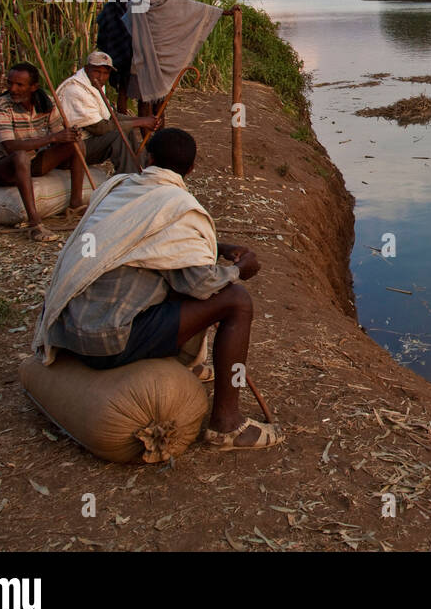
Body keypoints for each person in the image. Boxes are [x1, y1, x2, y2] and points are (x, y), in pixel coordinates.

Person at [32, 127, 284, 451]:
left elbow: (145, 239)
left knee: (175, 278)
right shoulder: (179, 204)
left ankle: (187, 361)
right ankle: (227, 425)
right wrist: (238, 270)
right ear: (191, 169)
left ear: (147, 157)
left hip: (70, 328)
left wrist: (217, 246)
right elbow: (202, 284)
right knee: (236, 301)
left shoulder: (117, 187)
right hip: (106, 342)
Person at [0, 62, 86, 242]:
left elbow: (59, 132)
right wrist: (53, 138)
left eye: (19, 85)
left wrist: (69, 134)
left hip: (32, 161)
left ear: (34, 87)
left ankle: (75, 205)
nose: (13, 89)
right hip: (0, 167)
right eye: (10, 83)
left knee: (77, 144)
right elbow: (11, 147)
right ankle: (34, 222)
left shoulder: (47, 103)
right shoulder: (1, 106)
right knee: (20, 155)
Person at [128, 0, 222, 128]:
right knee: (143, 103)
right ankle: (147, 144)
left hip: (165, 62)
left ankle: (159, 142)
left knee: (160, 105)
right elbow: (130, 26)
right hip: (142, 60)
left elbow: (200, 11)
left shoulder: (174, 0)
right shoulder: (136, 3)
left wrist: (226, 12)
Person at [53, 52, 155, 175]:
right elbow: (100, 128)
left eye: (105, 73)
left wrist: (141, 120)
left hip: (87, 144)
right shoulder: (75, 90)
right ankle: (128, 180)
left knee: (128, 130)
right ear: (86, 69)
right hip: (69, 151)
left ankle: (143, 172)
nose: (101, 77)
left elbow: (112, 116)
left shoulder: (94, 85)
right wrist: (141, 122)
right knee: (118, 137)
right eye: (97, 71)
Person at [96, 0, 136, 114]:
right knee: (123, 91)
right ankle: (124, 125)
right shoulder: (115, 1)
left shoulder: (136, 0)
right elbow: (105, 23)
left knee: (131, 92)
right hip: (121, 49)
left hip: (133, 51)